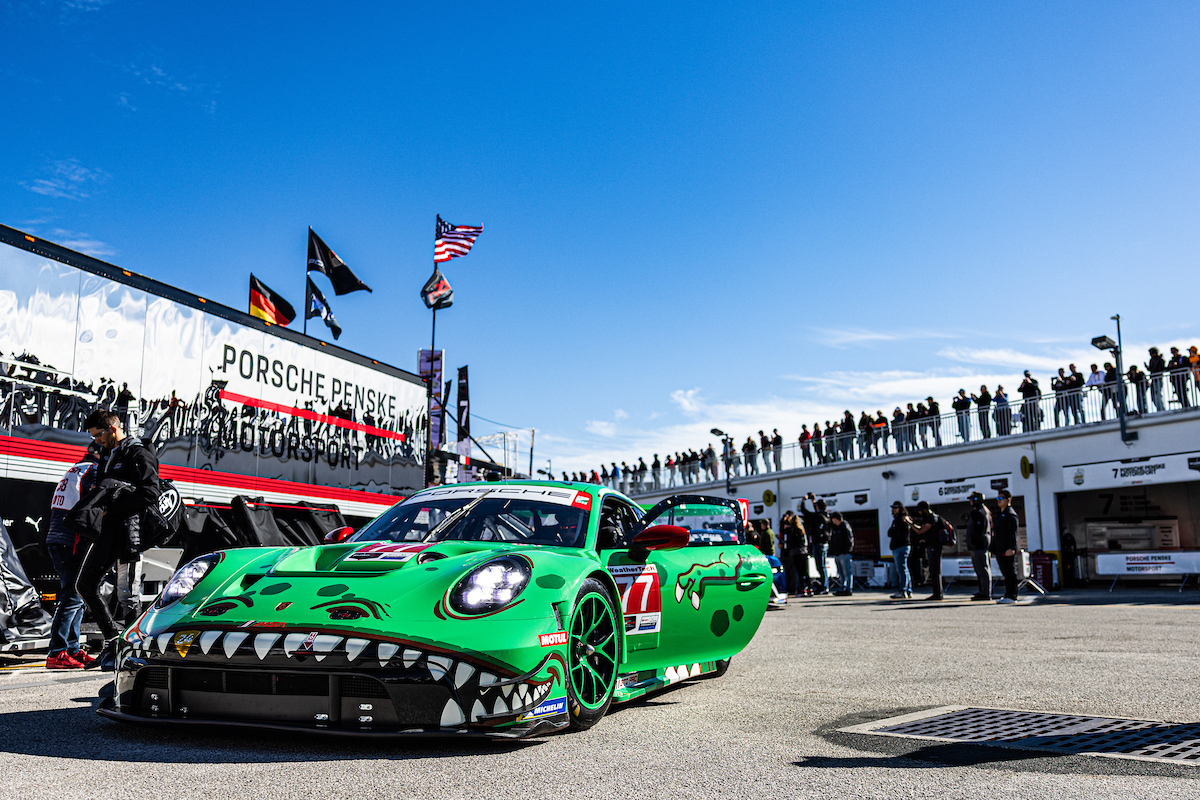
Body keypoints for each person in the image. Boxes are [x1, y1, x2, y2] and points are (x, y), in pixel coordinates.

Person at [77, 409, 161, 666]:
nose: (96, 441)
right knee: (85, 585)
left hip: (129, 533)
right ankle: (114, 641)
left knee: (128, 596)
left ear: (113, 429)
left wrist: (113, 505)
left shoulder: (138, 452)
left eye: (98, 435)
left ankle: (132, 653)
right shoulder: (107, 455)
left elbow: (151, 493)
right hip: (107, 531)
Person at [44, 444, 102, 669]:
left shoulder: (76, 469)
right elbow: (96, 504)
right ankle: (57, 652)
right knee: (73, 597)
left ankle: (72, 649)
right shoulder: (93, 471)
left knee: (76, 597)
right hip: (73, 541)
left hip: (59, 539)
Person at [910, 501, 945, 601]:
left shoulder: (931, 518)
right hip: (932, 545)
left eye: (920, 511)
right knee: (934, 570)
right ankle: (937, 593)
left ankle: (938, 593)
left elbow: (920, 531)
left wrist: (910, 523)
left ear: (925, 510)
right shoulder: (932, 517)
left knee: (935, 570)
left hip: (934, 546)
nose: (919, 513)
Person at [799, 493, 831, 594]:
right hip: (825, 543)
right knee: (822, 565)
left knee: (820, 566)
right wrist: (813, 502)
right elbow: (817, 512)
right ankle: (825, 586)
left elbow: (805, 512)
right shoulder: (826, 516)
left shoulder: (817, 517)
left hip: (818, 544)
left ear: (817, 507)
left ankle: (824, 587)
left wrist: (803, 501)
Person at [993, 489, 1020, 603]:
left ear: (1008, 500)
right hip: (1000, 548)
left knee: (1010, 572)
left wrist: (1012, 548)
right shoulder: (1001, 514)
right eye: (997, 498)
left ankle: (1012, 595)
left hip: (1007, 548)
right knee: (1005, 572)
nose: (998, 501)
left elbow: (1013, 533)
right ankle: (1007, 594)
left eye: (1001, 498)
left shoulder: (1010, 514)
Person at [965, 491, 993, 601]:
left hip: (980, 546)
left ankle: (985, 592)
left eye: (972, 499)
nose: (970, 501)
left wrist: (974, 542)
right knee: (980, 569)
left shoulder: (980, 513)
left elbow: (978, 531)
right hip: (978, 546)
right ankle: (982, 591)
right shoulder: (980, 512)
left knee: (983, 569)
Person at [779, 511, 811, 596]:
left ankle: (802, 589)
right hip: (804, 551)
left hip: (795, 552)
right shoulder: (802, 530)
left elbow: (788, 541)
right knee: (806, 572)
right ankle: (809, 588)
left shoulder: (791, 531)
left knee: (799, 572)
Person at [887, 501, 913, 600]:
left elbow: (898, 533)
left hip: (901, 546)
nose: (893, 509)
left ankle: (902, 590)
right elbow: (889, 532)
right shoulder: (896, 520)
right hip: (897, 546)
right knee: (904, 569)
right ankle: (908, 590)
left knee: (902, 569)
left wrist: (894, 532)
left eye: (896, 507)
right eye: (893, 508)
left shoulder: (903, 519)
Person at [828, 512, 854, 596]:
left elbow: (849, 540)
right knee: (841, 572)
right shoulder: (836, 528)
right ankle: (842, 587)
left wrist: (845, 551)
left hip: (843, 554)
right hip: (838, 553)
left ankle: (848, 588)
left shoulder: (845, 527)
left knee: (847, 572)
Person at [1146, 347, 1166, 412]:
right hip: (1153, 380)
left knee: (1158, 395)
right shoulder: (1152, 360)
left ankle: (1161, 409)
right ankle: (1159, 409)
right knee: (1153, 397)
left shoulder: (1161, 359)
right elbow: (1151, 369)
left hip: (1158, 379)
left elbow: (1160, 369)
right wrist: (1147, 367)